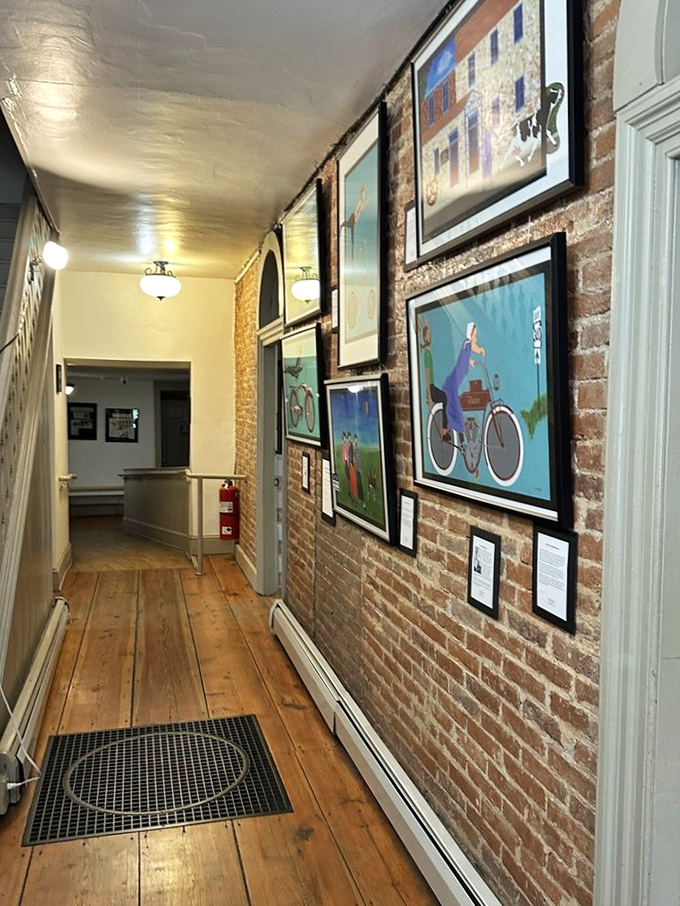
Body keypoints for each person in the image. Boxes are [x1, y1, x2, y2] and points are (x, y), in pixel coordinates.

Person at [442, 322, 485, 439]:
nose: (475, 338)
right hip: (453, 382)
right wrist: (480, 350)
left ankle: (453, 428)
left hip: (455, 382)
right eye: (475, 336)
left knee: (456, 406)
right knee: (455, 408)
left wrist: (470, 361)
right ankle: (449, 430)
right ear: (470, 334)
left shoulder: (466, 347)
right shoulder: (467, 343)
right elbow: (471, 346)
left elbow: (464, 356)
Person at [340, 186, 368, 261]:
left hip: (359, 221)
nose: (364, 195)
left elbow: (363, 209)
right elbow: (356, 211)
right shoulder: (360, 202)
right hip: (355, 220)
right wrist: (355, 218)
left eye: (365, 193)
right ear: (361, 194)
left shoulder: (363, 202)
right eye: (363, 193)